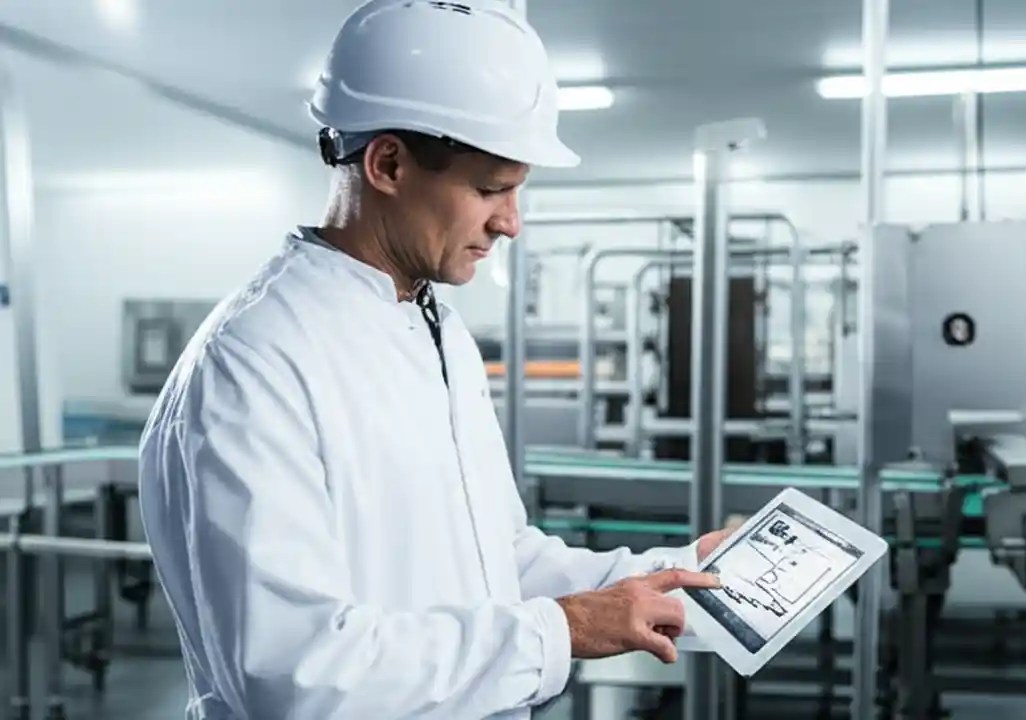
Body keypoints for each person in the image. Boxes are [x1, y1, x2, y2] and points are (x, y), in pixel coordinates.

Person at [137, 2, 732, 718]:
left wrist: (666, 574)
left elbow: (496, 563)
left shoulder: (435, 329)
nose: (511, 222)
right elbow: (295, 673)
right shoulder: (256, 361)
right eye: (490, 189)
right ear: (387, 163)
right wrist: (565, 630)